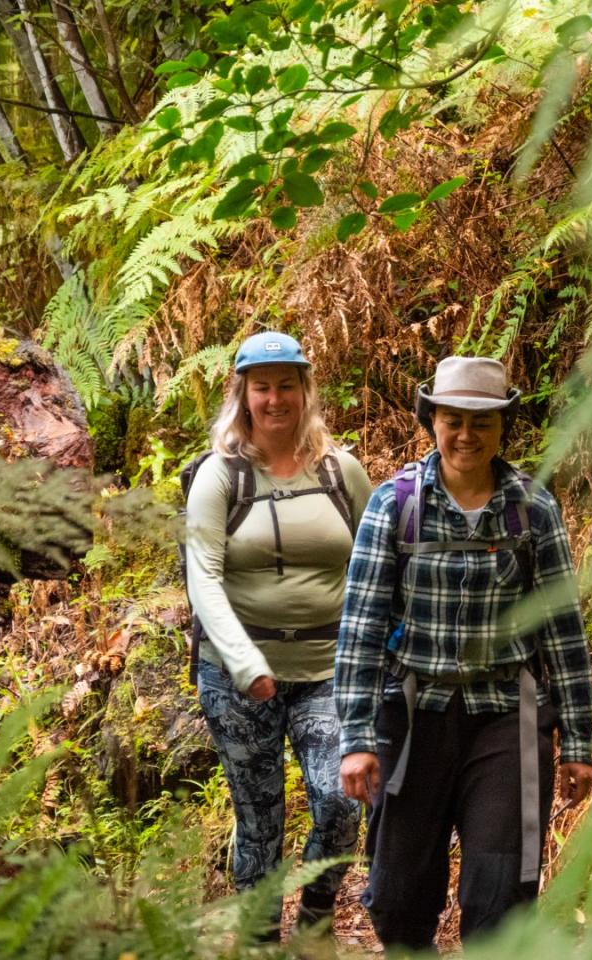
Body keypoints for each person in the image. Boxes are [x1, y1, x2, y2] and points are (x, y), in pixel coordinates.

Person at [335, 355, 592, 951]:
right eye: (453, 420)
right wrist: (356, 738)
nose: (466, 435)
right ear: (432, 421)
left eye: (482, 421)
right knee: (397, 895)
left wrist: (577, 742)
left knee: (502, 894)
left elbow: (562, 631)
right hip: (412, 716)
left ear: (503, 426)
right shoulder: (394, 505)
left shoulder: (533, 511)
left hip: (506, 718)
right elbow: (360, 628)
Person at [185, 330, 369, 938]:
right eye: (261, 387)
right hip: (237, 679)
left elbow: (378, 564)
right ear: (243, 395)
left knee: (340, 802)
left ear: (304, 390)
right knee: (260, 822)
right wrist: (245, 662)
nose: (274, 399)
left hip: (329, 670)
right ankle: (260, 942)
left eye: (285, 385)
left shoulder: (341, 473)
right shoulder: (220, 476)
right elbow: (203, 578)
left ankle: (315, 924)